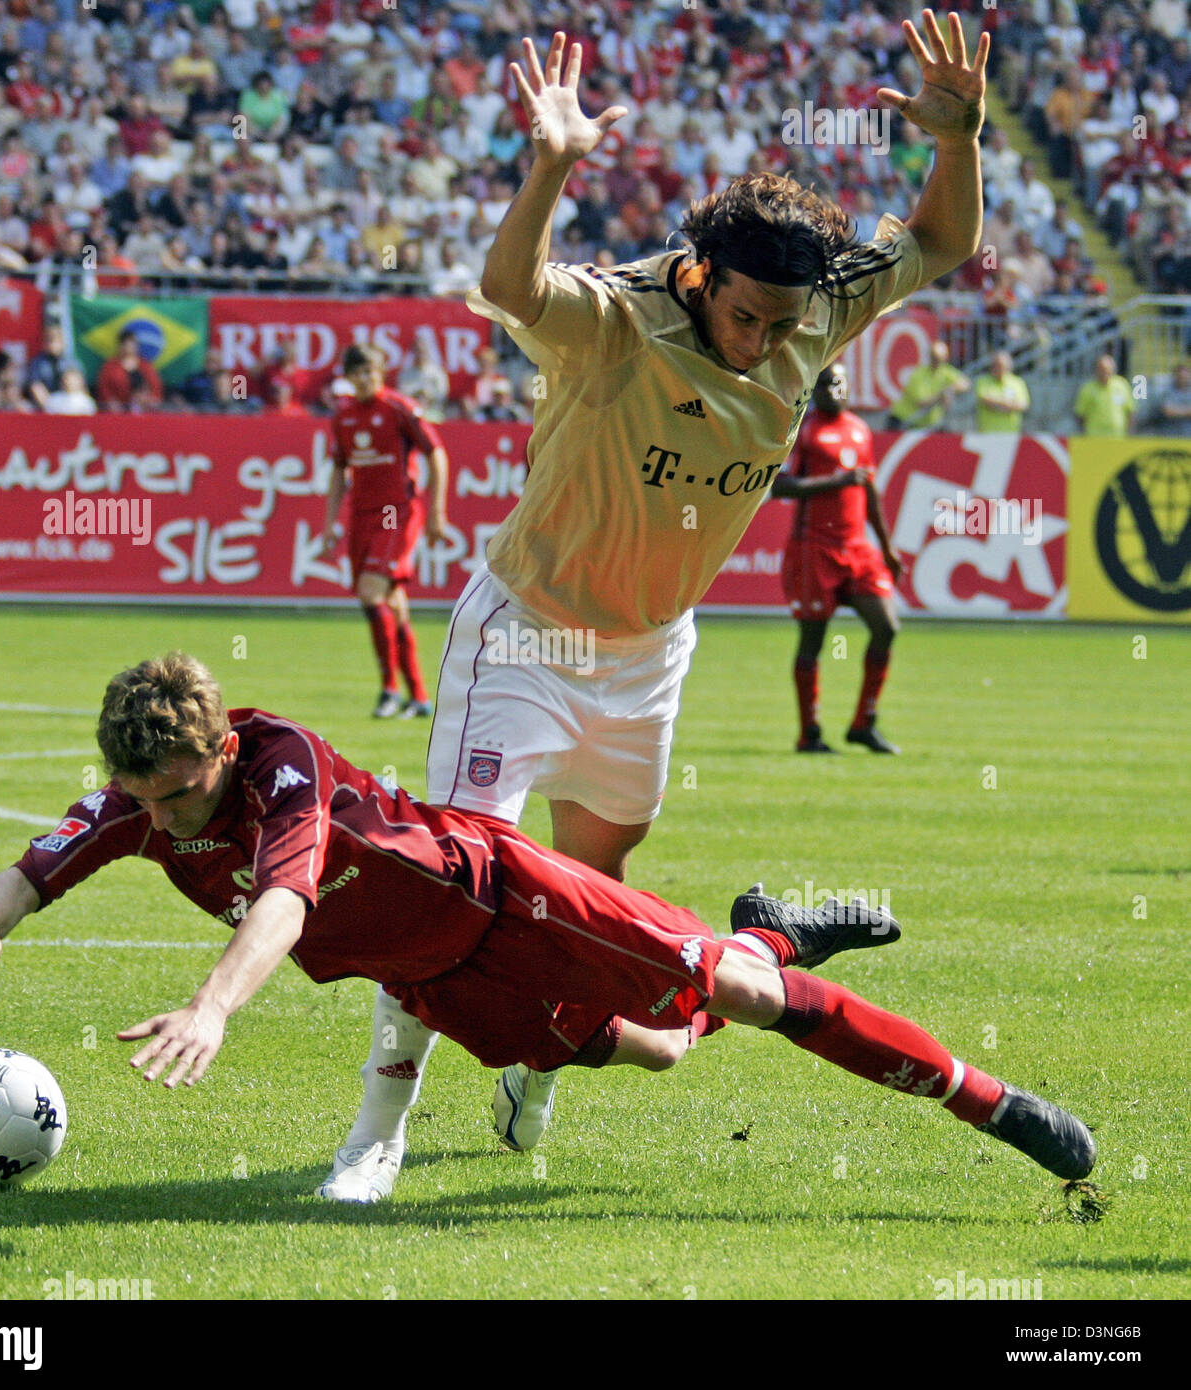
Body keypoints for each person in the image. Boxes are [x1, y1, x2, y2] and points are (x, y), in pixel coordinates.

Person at [328, 17, 994, 1203]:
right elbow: (505, 287)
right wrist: (550, 167)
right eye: (748, 320)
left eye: (787, 327)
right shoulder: (621, 319)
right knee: (449, 880)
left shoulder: (811, 309)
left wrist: (957, 138)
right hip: (526, 636)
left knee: (599, 886)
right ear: (698, 274)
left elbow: (942, 240)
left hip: (648, 658)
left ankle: (544, 1062)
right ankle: (374, 1132)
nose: (768, 345)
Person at [0, 653, 1097, 1196]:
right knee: (664, 1046)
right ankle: (776, 930)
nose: (161, 816)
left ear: (218, 749)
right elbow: (37, 866)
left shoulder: (279, 766)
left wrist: (211, 1007)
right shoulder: (138, 802)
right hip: (439, 982)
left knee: (737, 999)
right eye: (142, 799)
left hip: (507, 892)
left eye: (177, 791)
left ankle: (996, 1106)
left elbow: (283, 898)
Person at [774, 362, 903, 754]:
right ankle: (809, 734)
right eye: (828, 383)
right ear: (815, 390)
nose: (836, 389)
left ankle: (864, 723)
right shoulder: (803, 431)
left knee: (887, 627)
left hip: (857, 548)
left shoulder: (860, 430)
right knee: (813, 638)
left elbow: (869, 491)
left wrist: (886, 546)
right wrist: (839, 480)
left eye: (842, 383)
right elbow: (780, 486)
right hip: (814, 548)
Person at [322, 344, 450, 719]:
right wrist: (330, 522)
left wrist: (436, 512)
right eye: (357, 373)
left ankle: (389, 691)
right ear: (347, 377)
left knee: (370, 593)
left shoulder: (399, 408)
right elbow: (339, 471)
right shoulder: (342, 416)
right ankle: (421, 697)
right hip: (360, 517)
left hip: (396, 514)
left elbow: (436, 453)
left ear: (381, 373)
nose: (365, 379)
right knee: (393, 604)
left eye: (371, 372)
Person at [887, 338, 970, 429]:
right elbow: (921, 403)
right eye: (935, 358)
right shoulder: (919, 374)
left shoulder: (945, 371)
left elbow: (965, 384)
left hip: (925, 423)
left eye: (940, 359)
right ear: (930, 357)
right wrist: (942, 395)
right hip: (903, 421)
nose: (937, 362)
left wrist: (950, 389)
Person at [1073, 353, 1135, 437]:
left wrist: (1129, 433)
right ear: (1096, 370)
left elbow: (1130, 411)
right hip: (1094, 437)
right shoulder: (1088, 388)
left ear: (1112, 370)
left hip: (1118, 437)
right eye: (1101, 369)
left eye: (1107, 369)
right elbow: (1080, 414)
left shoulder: (1122, 385)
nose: (1104, 372)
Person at [974, 350, 1030, 432]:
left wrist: (996, 403)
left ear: (1008, 366)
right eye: (995, 365)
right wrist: (1009, 404)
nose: (998, 369)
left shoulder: (1017, 382)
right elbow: (985, 400)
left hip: (1011, 433)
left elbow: (1023, 405)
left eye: (1001, 366)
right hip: (987, 433)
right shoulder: (982, 381)